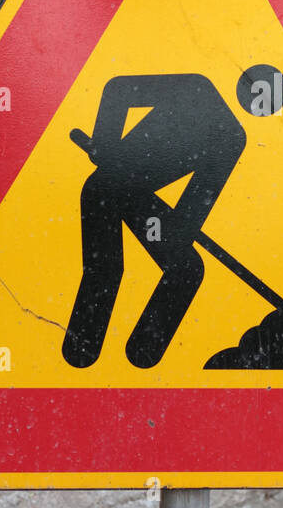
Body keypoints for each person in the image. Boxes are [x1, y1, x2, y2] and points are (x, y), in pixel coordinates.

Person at [63, 74, 245, 369]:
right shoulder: (195, 89)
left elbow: (196, 203)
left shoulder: (230, 141)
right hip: (106, 187)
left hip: (127, 189)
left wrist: (181, 228)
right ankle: (81, 349)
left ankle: (143, 353)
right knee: (104, 268)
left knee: (186, 268)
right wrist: (106, 140)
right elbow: (117, 90)